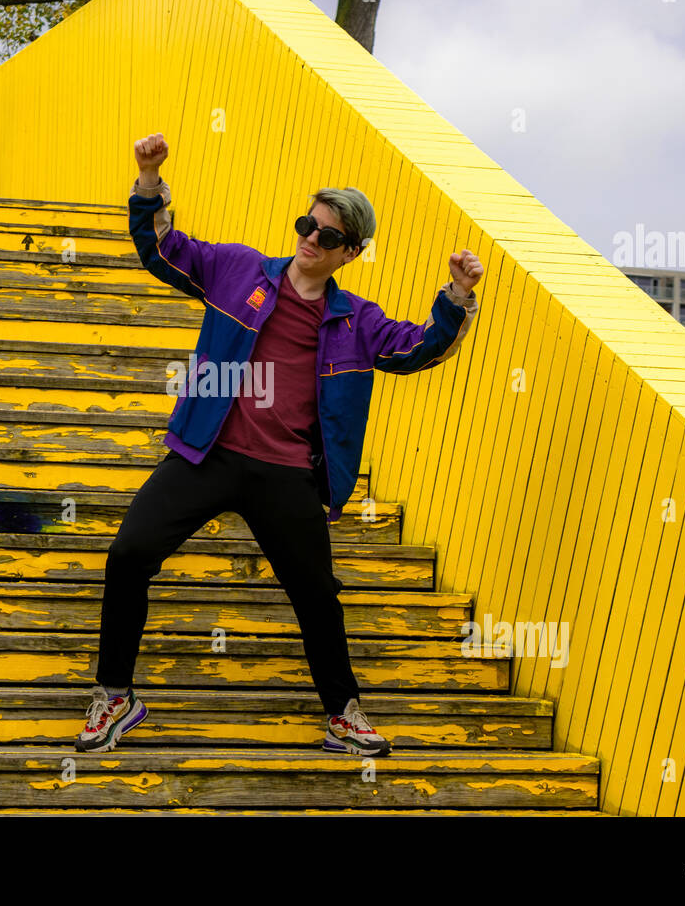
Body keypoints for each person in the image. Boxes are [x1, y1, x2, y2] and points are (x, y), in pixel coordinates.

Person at [75, 132, 483, 756]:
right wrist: (150, 179)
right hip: (205, 453)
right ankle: (115, 696)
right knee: (129, 554)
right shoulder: (240, 269)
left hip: (287, 473)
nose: (311, 239)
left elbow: (417, 350)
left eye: (328, 237)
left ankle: (343, 715)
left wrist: (456, 297)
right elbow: (161, 252)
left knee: (316, 593)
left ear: (350, 254)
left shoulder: (357, 321)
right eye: (308, 224)